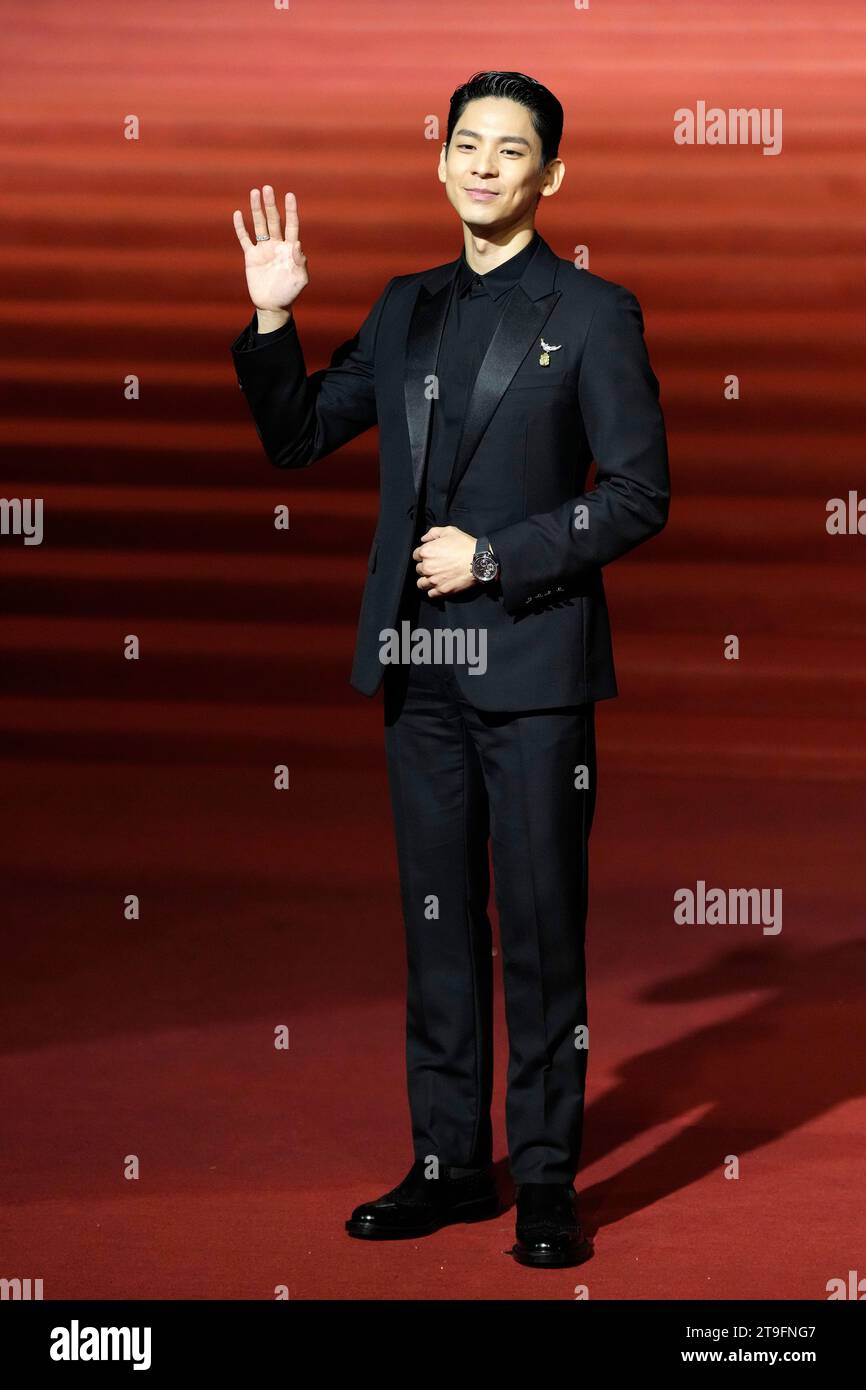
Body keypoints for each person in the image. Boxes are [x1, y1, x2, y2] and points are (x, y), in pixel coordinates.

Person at [229, 70, 670, 1269]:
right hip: (417, 672)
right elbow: (298, 436)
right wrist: (274, 325)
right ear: (439, 163)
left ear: (550, 176)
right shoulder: (405, 305)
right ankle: (445, 1165)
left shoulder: (592, 313)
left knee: (536, 931)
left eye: (508, 148)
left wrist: (499, 555)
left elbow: (638, 496)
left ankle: (541, 1179)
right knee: (436, 931)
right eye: (464, 144)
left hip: (530, 669)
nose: (482, 164)